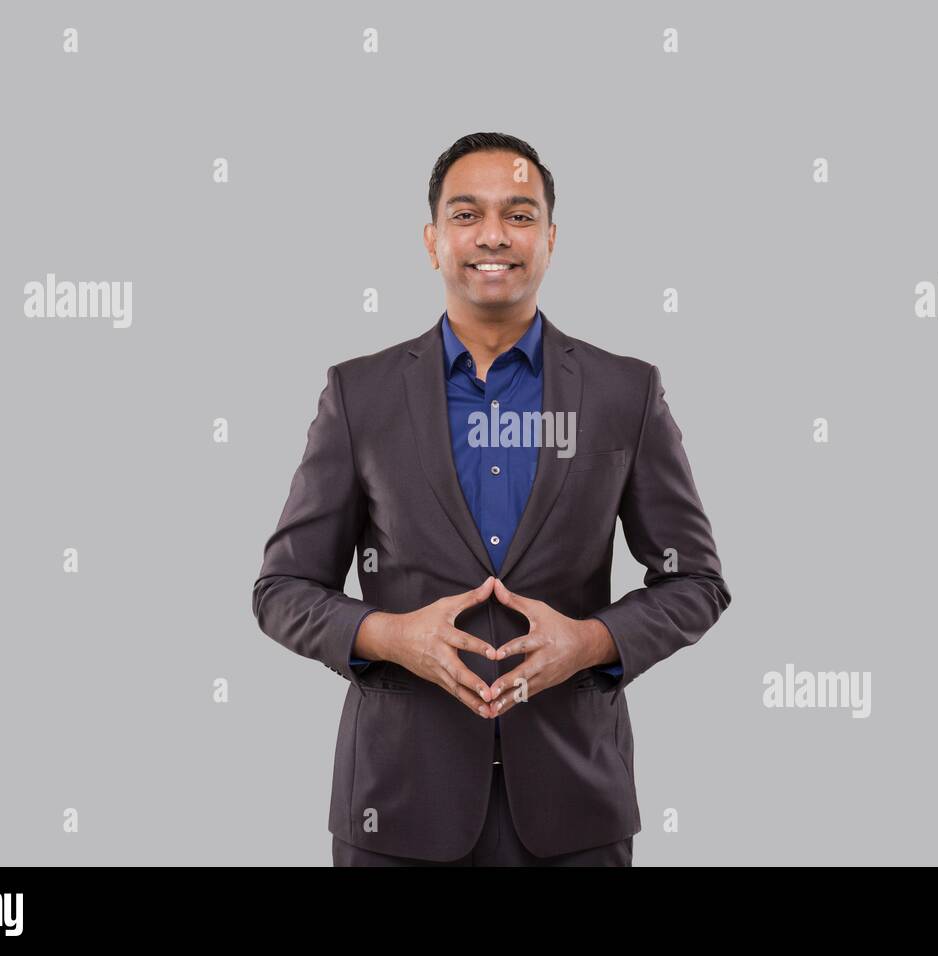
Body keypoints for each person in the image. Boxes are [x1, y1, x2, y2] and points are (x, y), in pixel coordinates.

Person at [252, 132, 731, 866]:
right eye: (467, 214)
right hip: (398, 807)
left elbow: (695, 580)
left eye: (520, 214)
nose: (494, 236)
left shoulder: (623, 392)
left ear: (550, 238)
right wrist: (389, 636)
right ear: (433, 240)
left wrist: (591, 643)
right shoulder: (359, 395)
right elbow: (282, 589)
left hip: (576, 807)